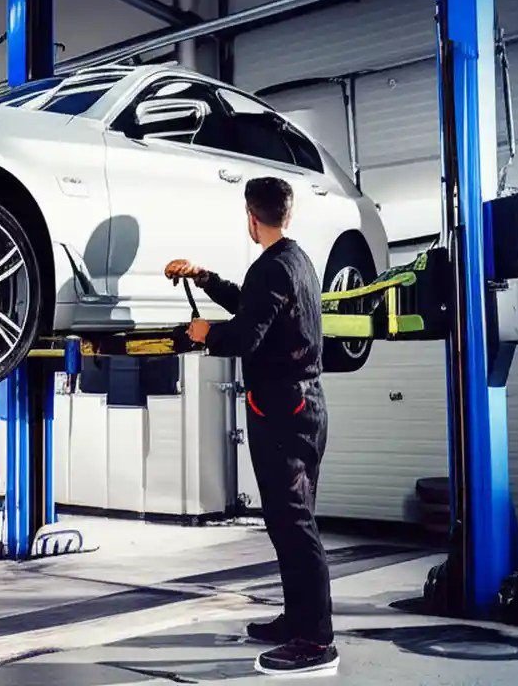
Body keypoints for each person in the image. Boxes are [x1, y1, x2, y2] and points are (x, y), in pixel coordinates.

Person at [163, 176, 337, 677]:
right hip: (298, 408)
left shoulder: (272, 268)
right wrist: (204, 277)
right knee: (286, 523)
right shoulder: (295, 261)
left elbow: (246, 334)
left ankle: (317, 640)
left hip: (285, 413)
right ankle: (298, 619)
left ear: (250, 216)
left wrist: (204, 333)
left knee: (296, 525)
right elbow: (253, 304)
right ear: (287, 213)